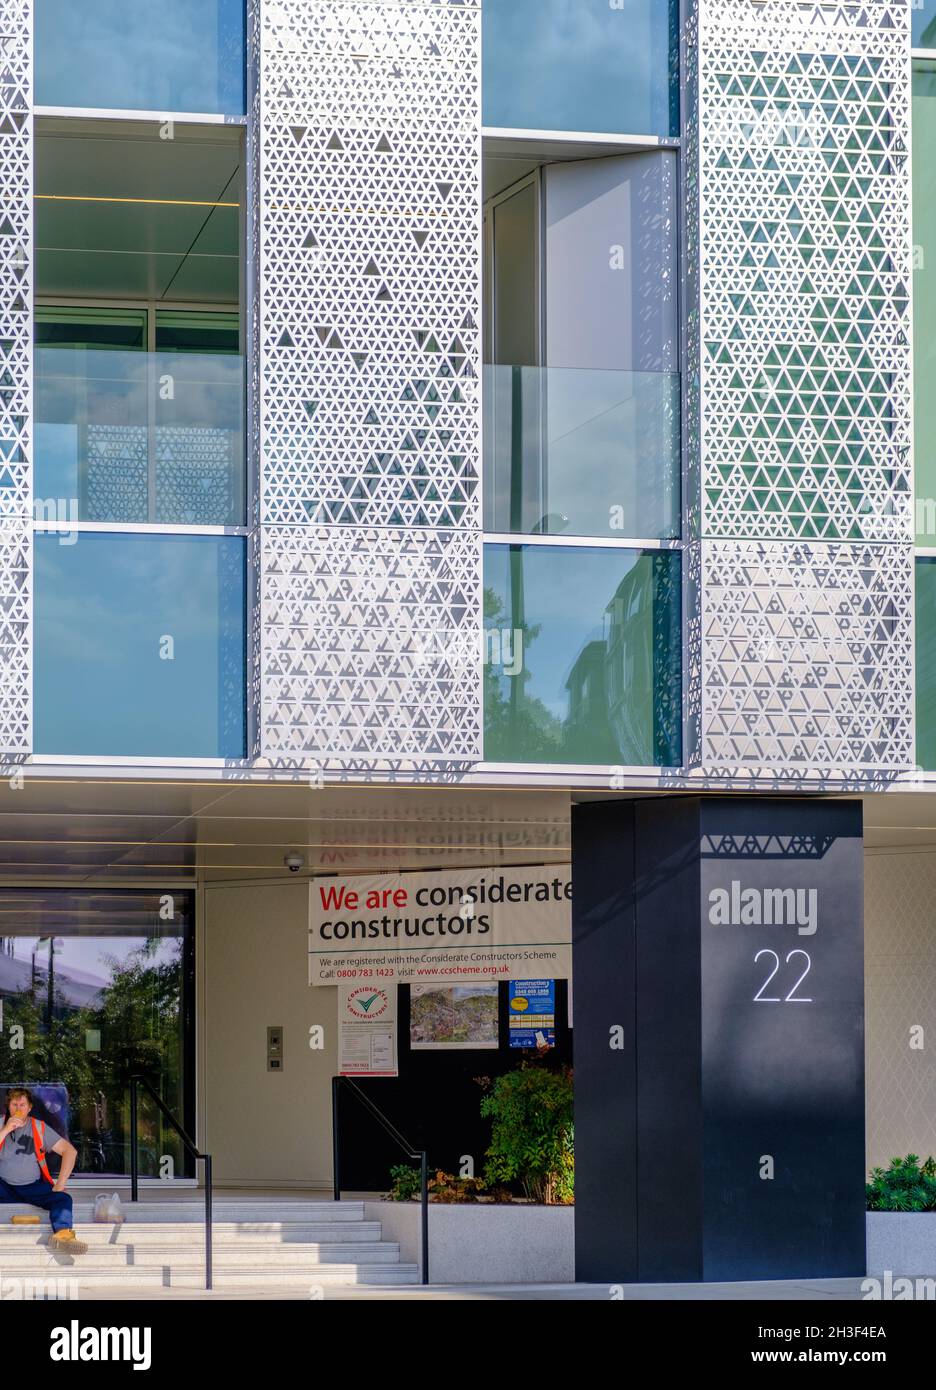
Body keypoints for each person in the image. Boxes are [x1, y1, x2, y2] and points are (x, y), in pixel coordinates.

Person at [0, 1087, 87, 1253]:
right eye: (14, 1104)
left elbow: (70, 1151)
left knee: (62, 1199)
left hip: (32, 1187)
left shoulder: (39, 1127)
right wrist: (5, 1130)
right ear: (8, 1107)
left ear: (30, 1107)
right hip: (3, 1185)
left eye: (22, 1105)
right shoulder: (1, 1123)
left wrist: (60, 1184)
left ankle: (63, 1236)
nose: (18, 1109)